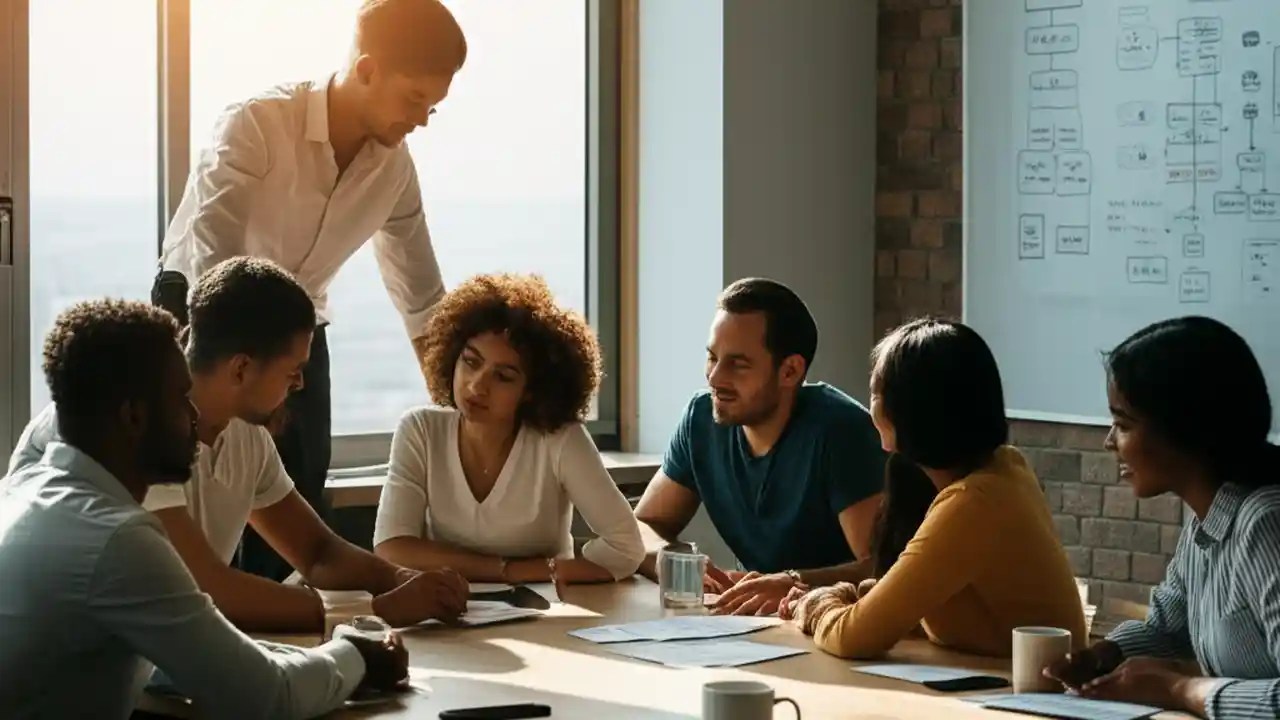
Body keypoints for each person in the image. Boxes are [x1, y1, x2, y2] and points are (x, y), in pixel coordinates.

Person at [154, 0, 467, 580]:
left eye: (433, 106)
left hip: (299, 326)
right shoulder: (256, 122)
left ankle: (284, 648)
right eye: (414, 99)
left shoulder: (395, 170)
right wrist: (237, 374)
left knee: (296, 498)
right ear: (367, 69)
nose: (422, 119)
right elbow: (214, 260)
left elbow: (423, 299)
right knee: (188, 496)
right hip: (201, 317)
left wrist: (462, 414)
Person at [10, 258, 467, 633]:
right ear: (242, 368)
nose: (301, 383)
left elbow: (317, 553)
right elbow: (204, 589)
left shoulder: (246, 432)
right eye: (292, 371)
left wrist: (405, 580)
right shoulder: (136, 429)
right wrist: (379, 614)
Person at [0, 299, 409, 718]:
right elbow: (268, 697)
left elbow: (172, 656)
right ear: (134, 417)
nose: (195, 414)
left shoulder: (23, 493)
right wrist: (358, 654)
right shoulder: (118, 539)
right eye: (180, 399)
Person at [783, 318, 1085, 659]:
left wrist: (817, 603)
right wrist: (850, 596)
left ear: (911, 411)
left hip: (1024, 696)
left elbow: (852, 638)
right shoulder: (1004, 466)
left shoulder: (975, 503)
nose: (871, 406)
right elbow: (928, 598)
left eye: (876, 393)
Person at [1044, 316, 1280, 719]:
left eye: (1122, 424)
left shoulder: (1265, 524)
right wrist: (1104, 656)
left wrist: (1181, 690)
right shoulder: (1206, 520)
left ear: (1184, 429)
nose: (1109, 442)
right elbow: (1167, 629)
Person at [633, 278, 886, 616]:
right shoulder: (700, 420)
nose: (714, 378)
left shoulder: (843, 432)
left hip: (839, 626)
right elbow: (643, 524)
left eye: (737, 364)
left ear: (790, 370)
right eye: (712, 358)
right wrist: (668, 557)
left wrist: (795, 581)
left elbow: (886, 566)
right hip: (757, 626)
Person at [373, 274, 644, 584]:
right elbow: (391, 548)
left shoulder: (559, 439)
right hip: (447, 607)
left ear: (531, 389)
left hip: (547, 612)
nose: (477, 386)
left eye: (503, 377)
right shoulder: (420, 429)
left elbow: (625, 548)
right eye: (471, 362)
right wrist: (511, 571)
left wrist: (552, 575)